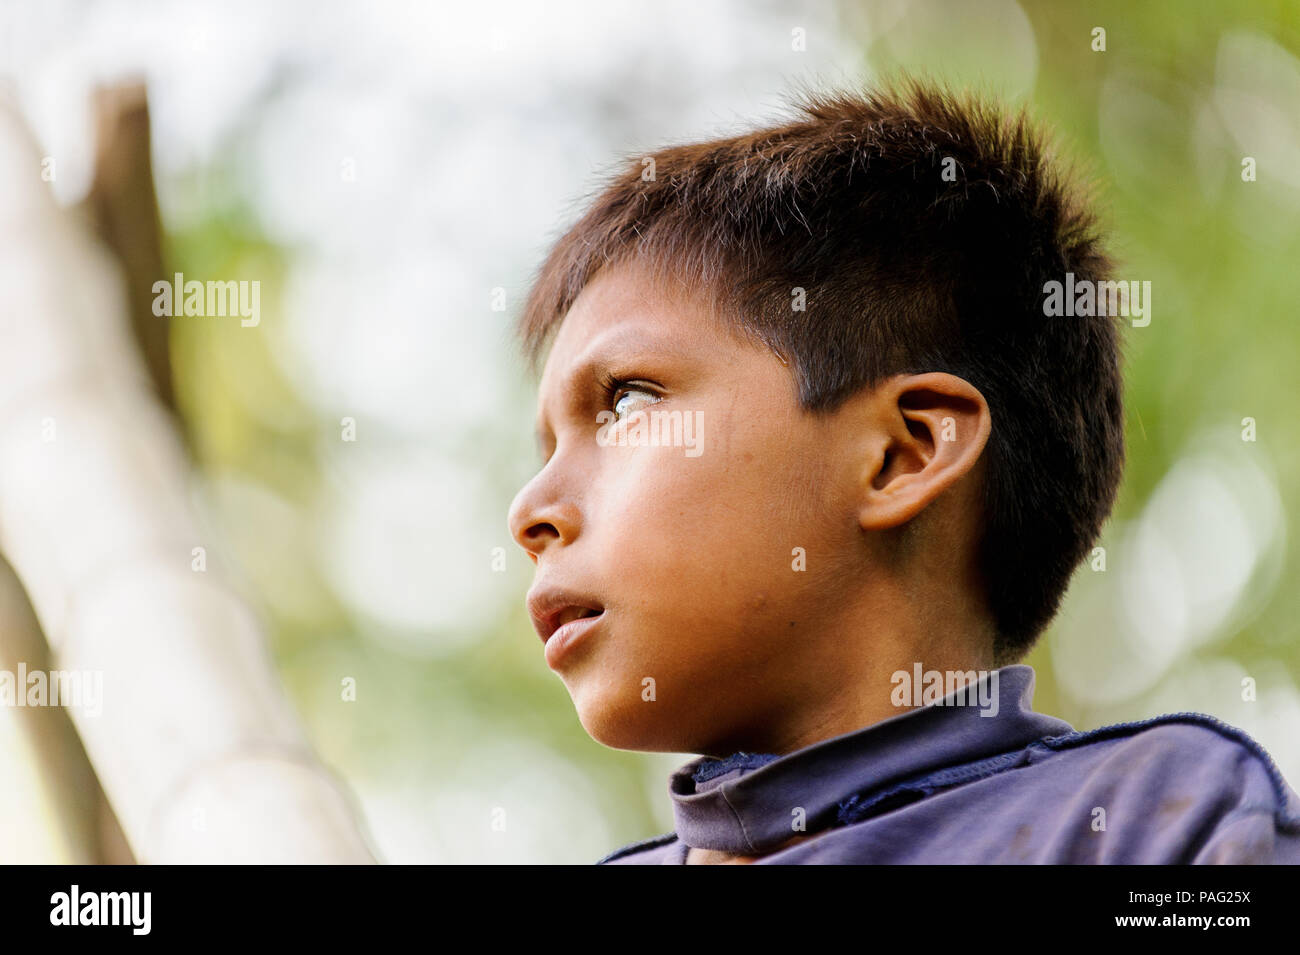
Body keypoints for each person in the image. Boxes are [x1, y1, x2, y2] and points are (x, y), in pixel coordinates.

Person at [505, 77, 1300, 864]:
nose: (530, 510)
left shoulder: (1159, 824)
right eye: (546, 447)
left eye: (628, 401)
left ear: (903, 453)